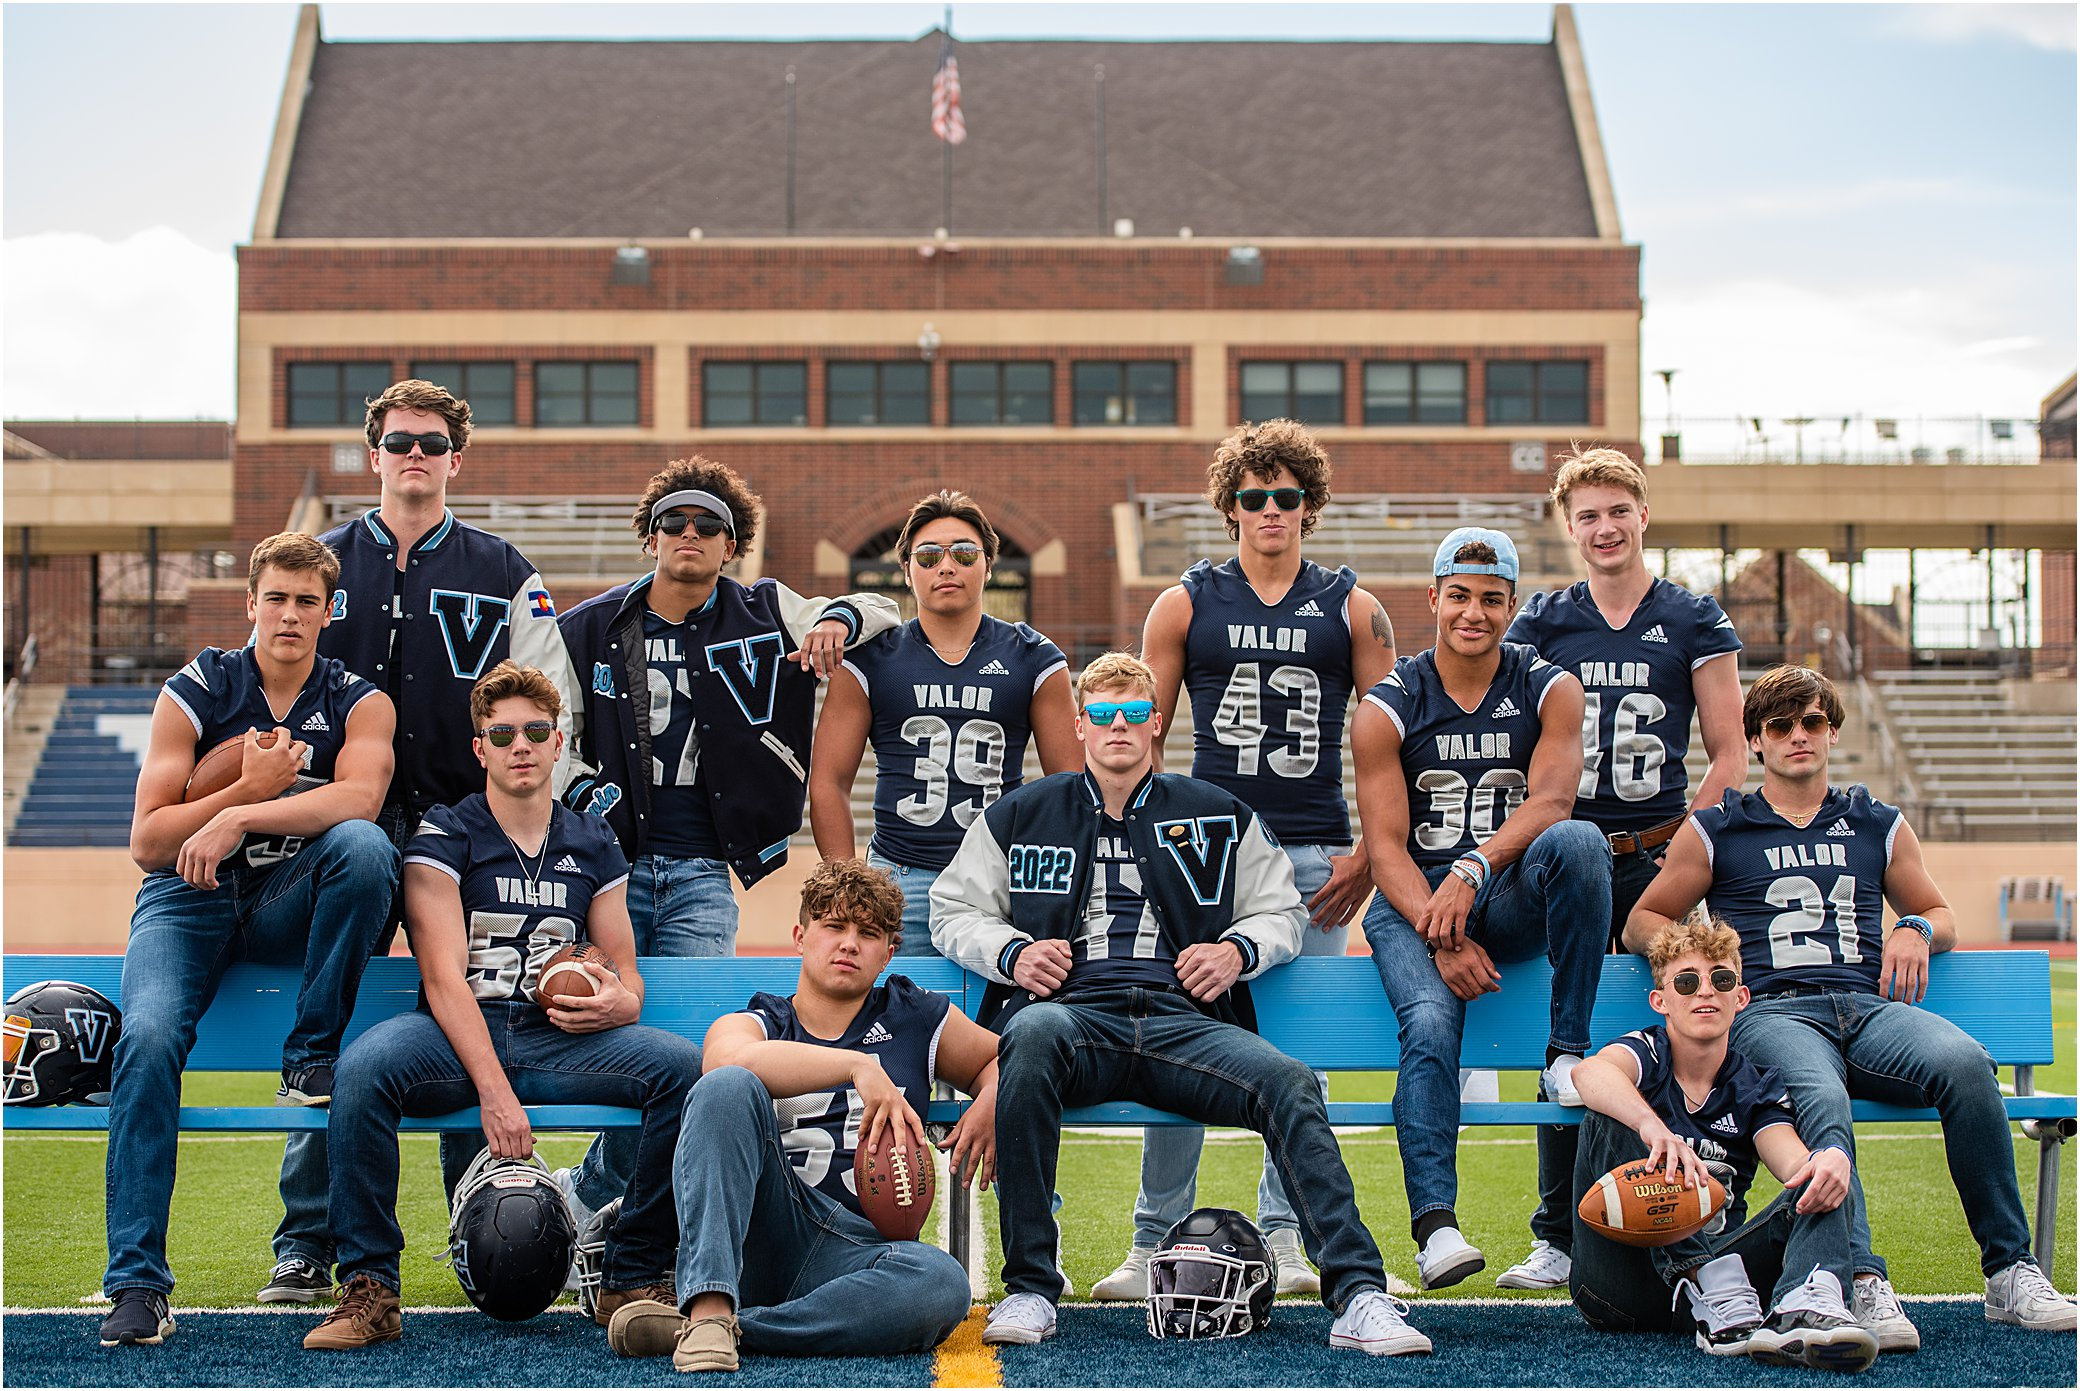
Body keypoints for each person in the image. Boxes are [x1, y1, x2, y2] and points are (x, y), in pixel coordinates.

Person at [932, 653, 1431, 1356]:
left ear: (1156, 722)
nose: (1118, 727)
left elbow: (1282, 910)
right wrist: (1013, 951)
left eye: (1133, 713)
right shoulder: (1020, 813)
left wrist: (1236, 950)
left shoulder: (1215, 811)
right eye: (1102, 714)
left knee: (1289, 1078)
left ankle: (1358, 1295)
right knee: (1033, 1030)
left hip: (1183, 1023)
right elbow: (953, 908)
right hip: (1079, 1020)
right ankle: (1032, 1288)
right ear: (1079, 725)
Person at [1625, 664, 2077, 1345]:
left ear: (1833, 730)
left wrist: (1914, 927)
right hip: (1773, 1012)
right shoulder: (1720, 825)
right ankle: (1860, 1277)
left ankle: (2009, 1269)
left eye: (1811, 721)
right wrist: (1702, 959)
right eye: (1780, 725)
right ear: (1756, 741)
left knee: (1964, 1062)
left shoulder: (1875, 821)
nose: (1798, 735)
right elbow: (1643, 917)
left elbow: (1936, 909)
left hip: (1865, 1008)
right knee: (1817, 1093)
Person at [261, 377, 588, 1305]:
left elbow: (544, 695)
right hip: (345, 828)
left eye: (431, 442)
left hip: (462, 825)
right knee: (332, 1017)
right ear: (374, 455)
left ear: (456, 457)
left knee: (469, 1013)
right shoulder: (322, 560)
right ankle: (305, 1235)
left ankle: (478, 1220)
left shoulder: (501, 566)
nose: (414, 455)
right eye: (398, 441)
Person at [304, 661, 703, 1350]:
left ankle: (630, 1272)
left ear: (558, 743)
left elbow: (626, 969)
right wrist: (494, 1092)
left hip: (557, 1037)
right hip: (461, 1034)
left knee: (683, 1070)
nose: (522, 744)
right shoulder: (443, 833)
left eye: (536, 731)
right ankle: (371, 1286)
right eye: (504, 732)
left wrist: (618, 1001)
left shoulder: (592, 839)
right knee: (363, 1069)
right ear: (480, 748)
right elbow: (442, 979)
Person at [1090, 419, 1400, 1301]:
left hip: (1310, 848)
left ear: (1311, 506)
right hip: (1205, 848)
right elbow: (1137, 732)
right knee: (1177, 1038)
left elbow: (1392, 742)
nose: (1271, 511)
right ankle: (1152, 1239)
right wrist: (1139, 839)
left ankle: (1287, 1235)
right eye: (1254, 496)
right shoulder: (1186, 600)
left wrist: (1372, 855)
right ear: (1230, 507)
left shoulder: (1351, 605)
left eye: (1287, 497)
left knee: (1300, 1055)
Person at [555, 457, 898, 1226]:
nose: (690, 532)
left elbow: (879, 606)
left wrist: (836, 620)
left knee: (685, 1051)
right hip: (611, 868)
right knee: (610, 1036)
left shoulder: (768, 607)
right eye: (674, 519)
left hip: (709, 869)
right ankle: (589, 1199)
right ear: (650, 535)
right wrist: (585, 797)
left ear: (731, 542)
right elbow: (553, 733)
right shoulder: (590, 624)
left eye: (709, 523)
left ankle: (593, 1199)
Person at [99, 533, 399, 1347]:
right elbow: (150, 840)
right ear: (251, 603)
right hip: (186, 901)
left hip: (283, 899)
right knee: (151, 1035)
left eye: (308, 600)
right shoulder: (199, 687)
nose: (291, 614)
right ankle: (136, 1283)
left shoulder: (357, 700)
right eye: (277, 597)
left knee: (369, 854)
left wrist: (240, 808)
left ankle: (310, 1057)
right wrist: (238, 785)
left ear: (331, 611)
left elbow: (361, 803)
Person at [1497, 446, 1747, 1292]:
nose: (1604, 527)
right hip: (1569, 862)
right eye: (1587, 516)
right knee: (1564, 1038)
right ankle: (1555, 1230)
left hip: (1655, 855)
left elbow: (1728, 750)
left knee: (1678, 1037)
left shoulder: (1692, 616)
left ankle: (1697, 1208)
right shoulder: (1542, 621)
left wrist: (1689, 850)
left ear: (1644, 515)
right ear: (1570, 529)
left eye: (1617, 511)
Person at [604, 857, 994, 1372]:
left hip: (860, 1254)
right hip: (764, 1232)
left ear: (889, 954)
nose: (849, 943)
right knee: (725, 1088)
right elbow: (724, 1061)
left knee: (942, 1284)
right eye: (833, 926)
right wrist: (856, 1066)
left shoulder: (914, 1015)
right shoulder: (764, 1019)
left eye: (868, 933)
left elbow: (1001, 1059)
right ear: (801, 936)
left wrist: (990, 1098)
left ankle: (722, 1329)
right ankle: (712, 1305)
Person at [1351, 526, 1610, 1290]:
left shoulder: (1548, 685)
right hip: (1410, 904)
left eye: (1491, 598)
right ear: (1433, 598)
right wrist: (1441, 931)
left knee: (1580, 843)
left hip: (1495, 891)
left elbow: (1553, 799)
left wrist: (1471, 867)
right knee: (1429, 1023)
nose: (1474, 612)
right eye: (1458, 595)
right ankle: (1436, 1228)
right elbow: (1388, 848)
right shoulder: (1389, 704)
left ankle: (1566, 1053)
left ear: (1512, 605)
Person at [1570, 918, 1875, 1372]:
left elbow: (1791, 1161)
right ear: (1661, 1001)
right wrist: (1652, 1127)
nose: (1705, 992)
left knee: (1828, 1171)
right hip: (1622, 1284)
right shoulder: (1648, 1053)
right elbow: (1588, 1073)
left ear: (1741, 996)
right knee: (1608, 1119)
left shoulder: (1752, 1085)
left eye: (1721, 979)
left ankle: (1803, 1304)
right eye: (1687, 982)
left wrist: (1823, 1163)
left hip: (1734, 1299)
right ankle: (1705, 1276)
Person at [809, 490, 1080, 952]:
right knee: (895, 1019)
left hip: (999, 874)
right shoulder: (873, 658)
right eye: (929, 556)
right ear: (908, 572)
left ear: (989, 566)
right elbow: (828, 781)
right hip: (899, 875)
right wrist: (848, 881)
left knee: (1000, 1017)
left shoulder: (1033, 656)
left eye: (964, 553)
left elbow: (1071, 784)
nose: (946, 567)